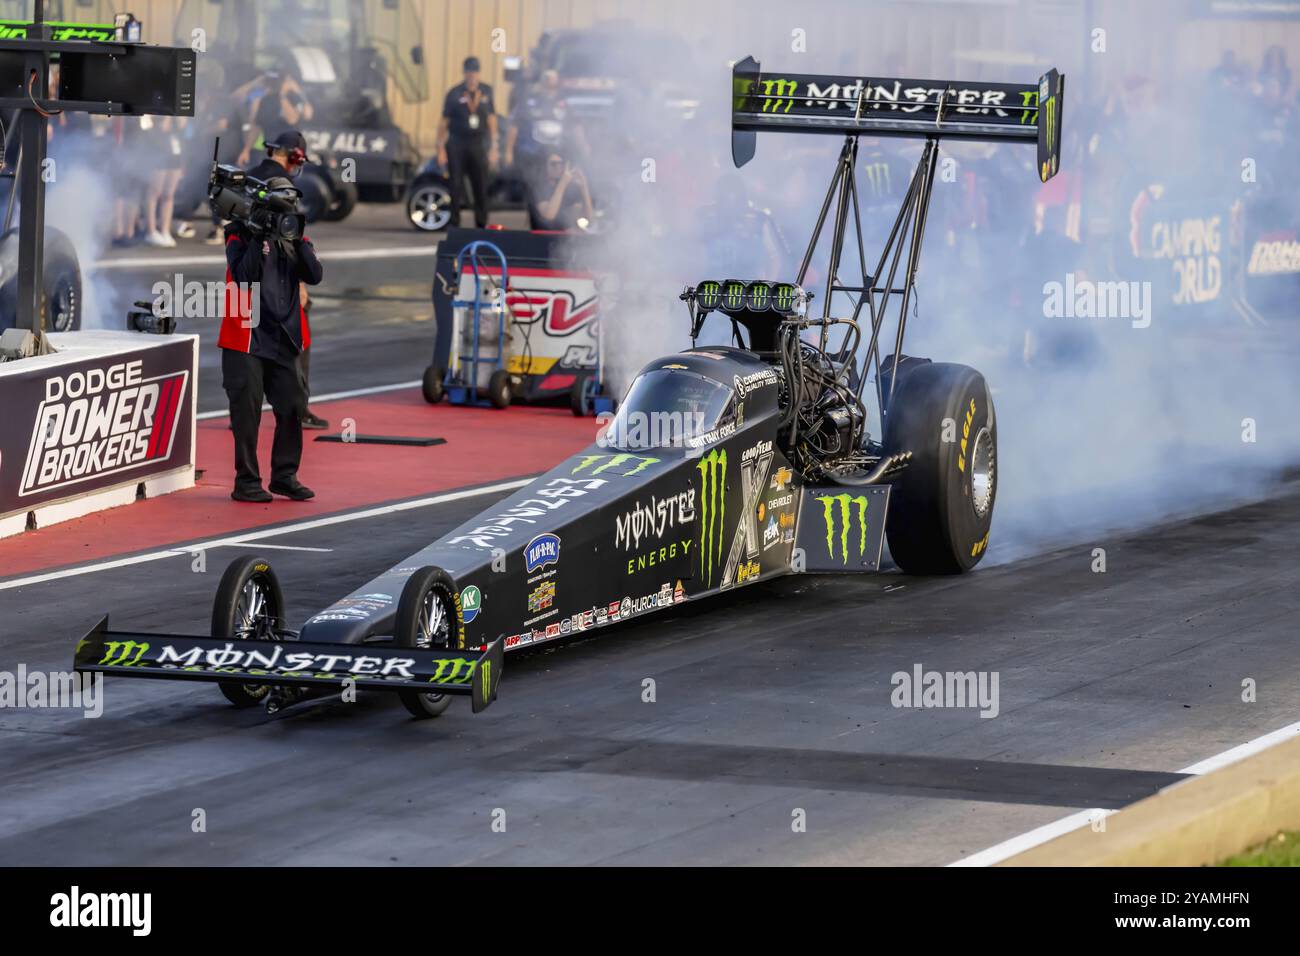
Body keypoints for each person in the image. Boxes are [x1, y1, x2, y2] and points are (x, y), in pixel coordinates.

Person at [218, 130, 324, 503]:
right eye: (284, 206)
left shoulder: (294, 234)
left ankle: (285, 475)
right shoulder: (238, 233)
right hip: (245, 335)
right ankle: (246, 481)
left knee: (293, 406)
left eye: (292, 207)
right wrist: (259, 237)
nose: (288, 214)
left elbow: (315, 274)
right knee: (246, 414)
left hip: (283, 334)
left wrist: (297, 239)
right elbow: (244, 276)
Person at [437, 56, 498, 228]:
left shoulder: (486, 91)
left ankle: (481, 223)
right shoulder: (454, 93)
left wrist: (494, 146)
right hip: (457, 142)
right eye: (469, 72)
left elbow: (492, 119)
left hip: (478, 143)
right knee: (455, 184)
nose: (472, 76)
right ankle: (454, 223)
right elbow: (444, 122)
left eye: (475, 72)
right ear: (464, 73)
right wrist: (440, 148)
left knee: (480, 184)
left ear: (479, 73)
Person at [527, 151, 594, 232]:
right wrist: (563, 183)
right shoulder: (538, 188)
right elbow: (549, 215)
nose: (558, 167)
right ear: (545, 166)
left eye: (561, 164)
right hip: (542, 236)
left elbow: (589, 219)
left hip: (564, 237)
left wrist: (584, 187)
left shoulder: (569, 189)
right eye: (553, 164)